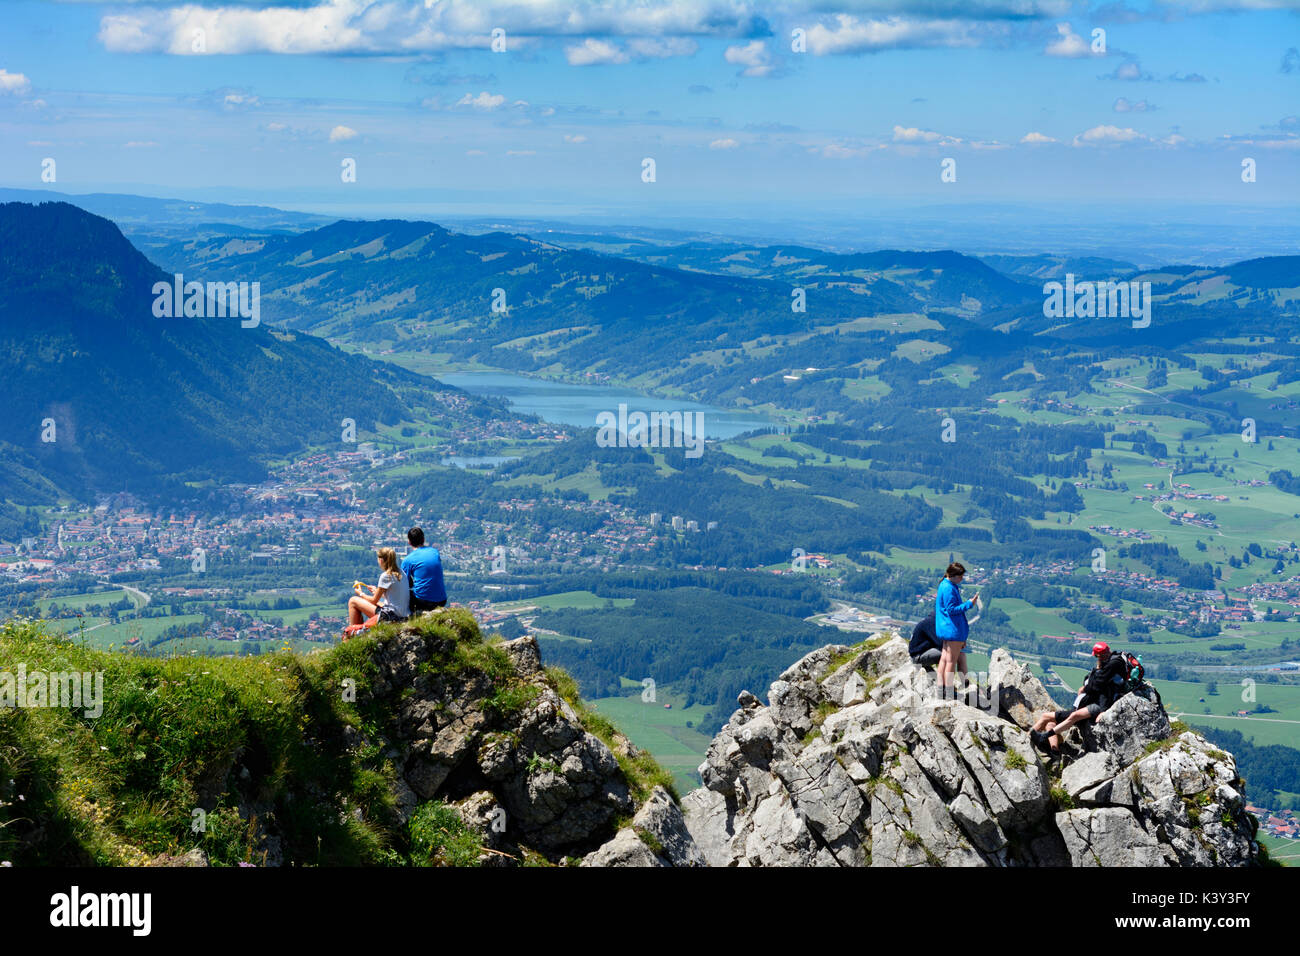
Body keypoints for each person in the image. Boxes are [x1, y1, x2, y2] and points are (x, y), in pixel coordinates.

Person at [1030, 642, 1129, 756]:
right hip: (1091, 704)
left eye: (1097, 656)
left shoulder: (1112, 665)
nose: (1097, 659)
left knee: (1049, 716)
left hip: (1097, 705)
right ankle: (1054, 751)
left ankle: (1031, 738)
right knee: (1050, 722)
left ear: (1100, 655)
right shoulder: (1112, 662)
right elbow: (1095, 684)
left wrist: (1101, 709)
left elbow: (1098, 686)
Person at [343, 547, 410, 639]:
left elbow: (374, 601)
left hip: (390, 617)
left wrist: (361, 593)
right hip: (403, 615)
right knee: (362, 600)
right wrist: (376, 591)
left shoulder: (386, 576)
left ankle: (354, 632)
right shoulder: (401, 572)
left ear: (381, 560)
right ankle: (358, 630)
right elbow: (394, 595)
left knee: (353, 601)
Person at [935, 562, 979, 698]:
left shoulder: (944, 585)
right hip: (953, 629)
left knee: (944, 659)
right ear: (953, 575)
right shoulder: (949, 588)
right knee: (951, 661)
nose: (962, 579)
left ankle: (940, 687)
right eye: (960, 576)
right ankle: (948, 690)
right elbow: (952, 609)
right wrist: (969, 604)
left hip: (946, 628)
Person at [402, 526, 447, 615]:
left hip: (422, 602)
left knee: (403, 594)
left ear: (409, 542)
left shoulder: (407, 560)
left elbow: (403, 583)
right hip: (442, 600)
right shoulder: (435, 552)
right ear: (423, 539)